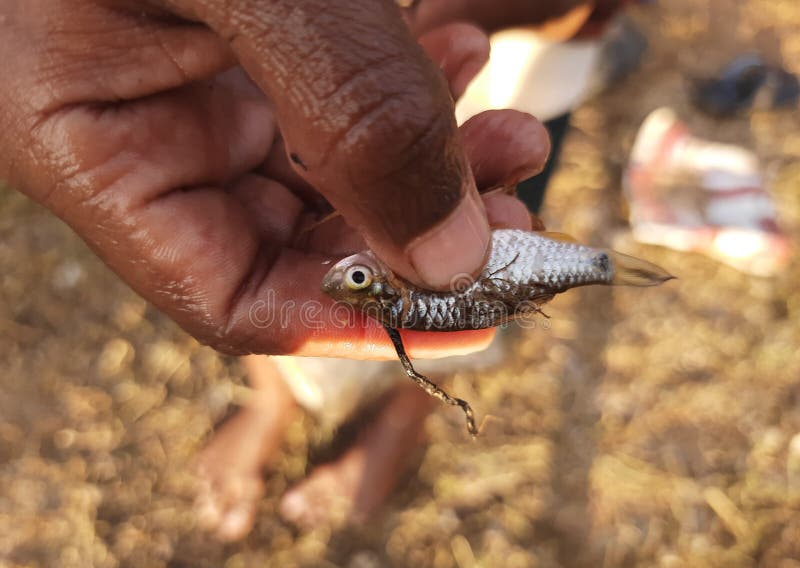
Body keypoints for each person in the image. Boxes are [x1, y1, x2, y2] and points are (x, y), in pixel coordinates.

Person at [0, 0, 628, 537]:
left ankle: (407, 413)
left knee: (489, 237)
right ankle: (273, 399)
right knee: (265, 232)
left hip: (530, 43)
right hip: (273, 53)